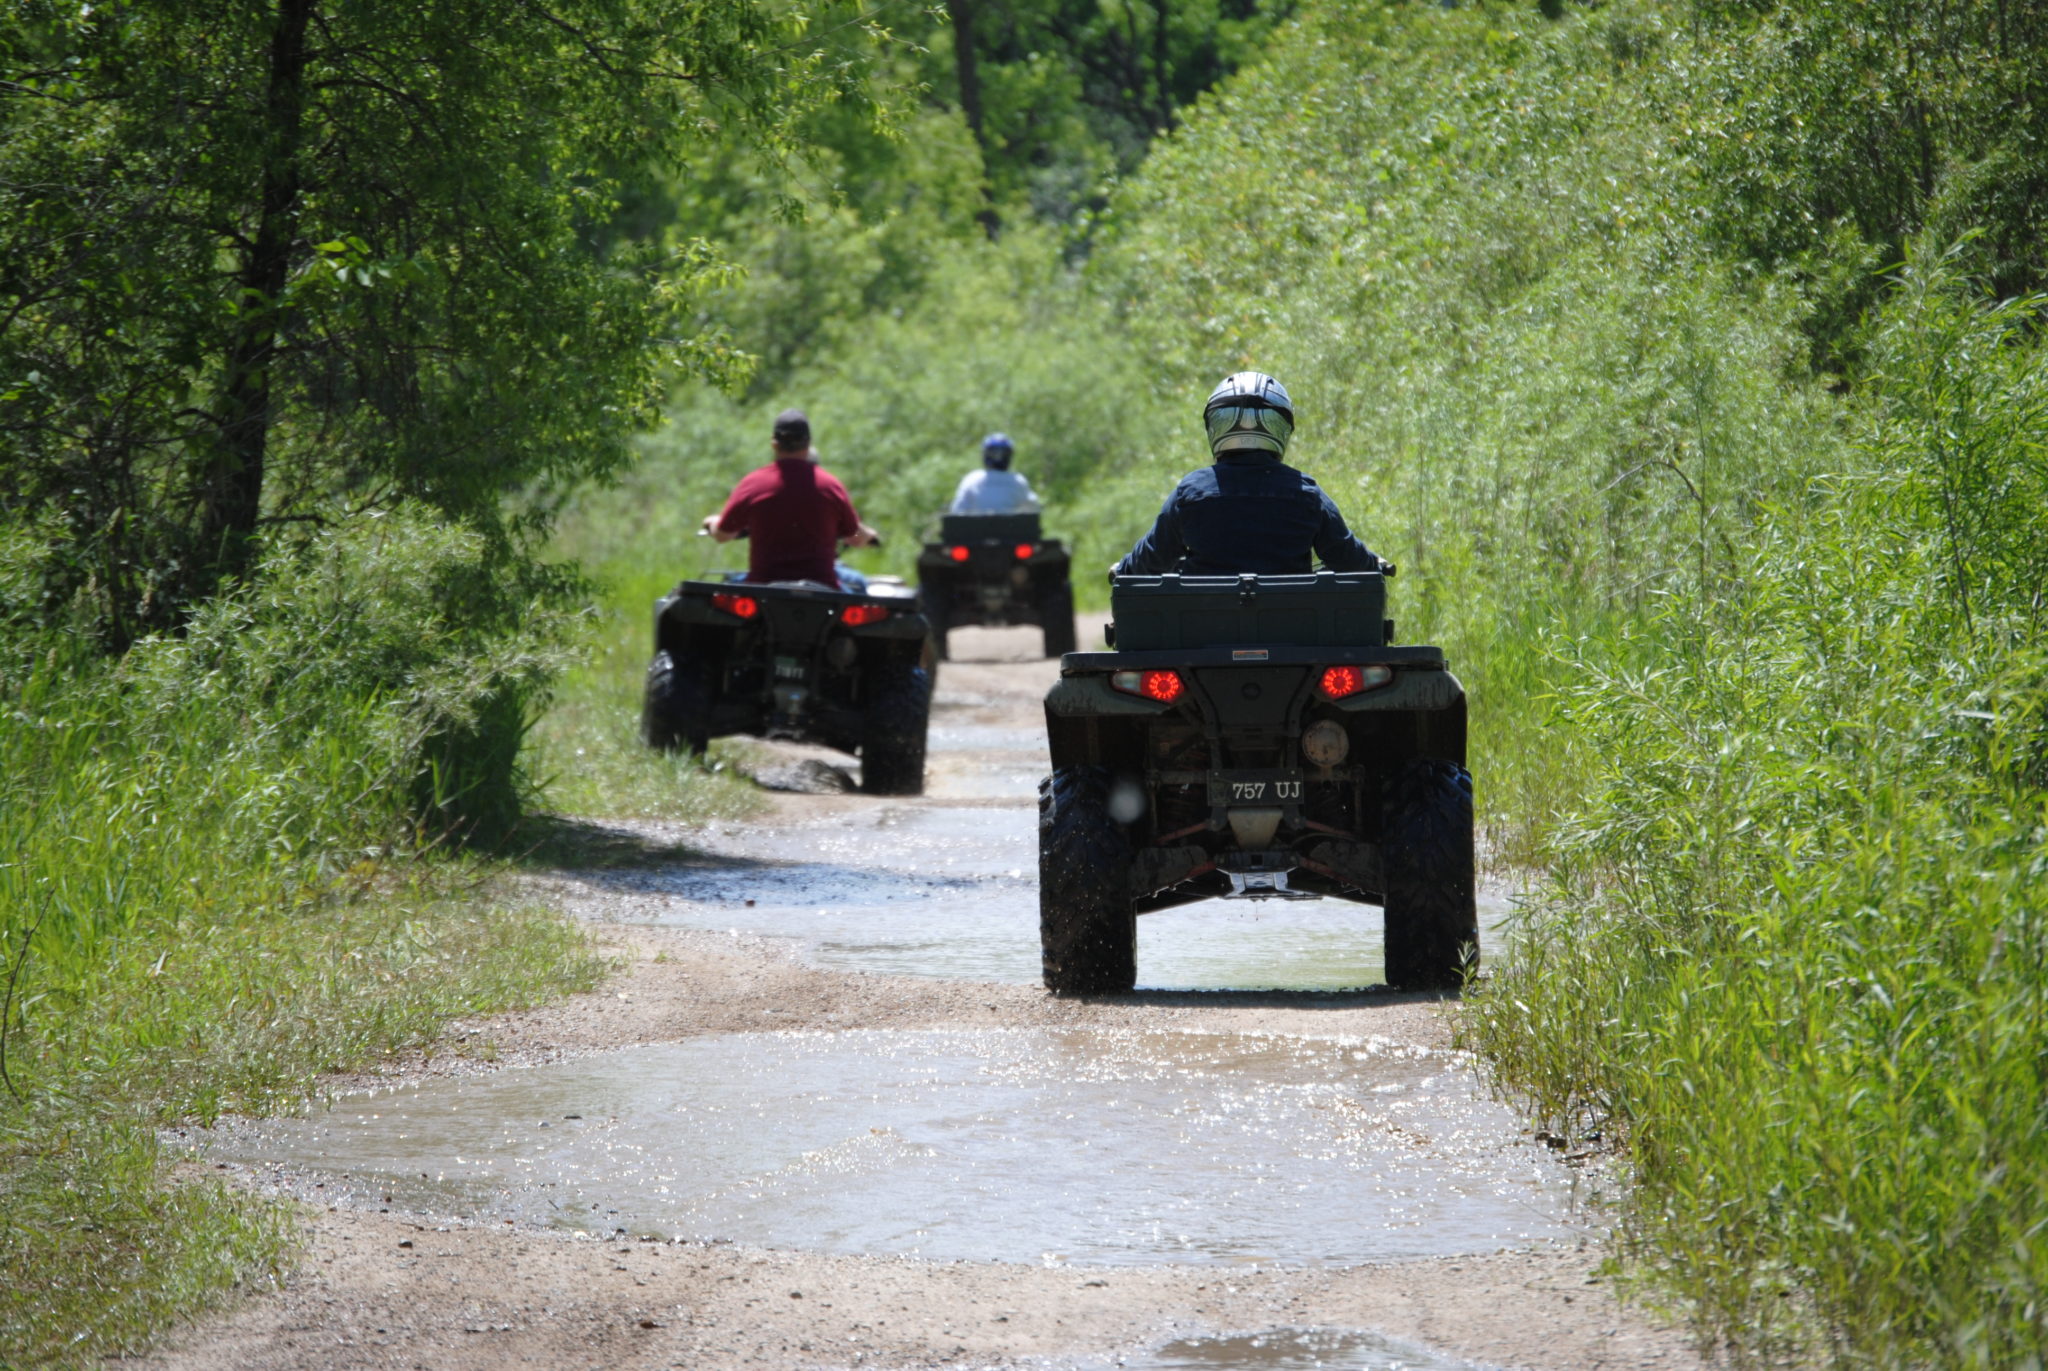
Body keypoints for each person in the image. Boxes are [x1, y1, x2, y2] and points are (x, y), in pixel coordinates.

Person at [1115, 372, 1380, 577]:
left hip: (1205, 635)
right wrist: (1374, 564)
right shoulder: (1306, 493)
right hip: (1291, 637)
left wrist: (1122, 569)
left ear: (1216, 426)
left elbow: (1150, 559)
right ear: (1281, 428)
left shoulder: (1190, 492)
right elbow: (1350, 559)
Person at [702, 408, 880, 587]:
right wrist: (863, 533)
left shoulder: (753, 484)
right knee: (860, 593)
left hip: (763, 590)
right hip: (823, 594)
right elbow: (855, 536)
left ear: (774, 443)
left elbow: (723, 535)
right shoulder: (831, 487)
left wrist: (712, 522)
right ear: (808, 444)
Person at [948, 433, 1042, 514]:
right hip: (1009, 533)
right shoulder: (1018, 481)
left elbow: (958, 510)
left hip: (976, 533)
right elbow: (1033, 509)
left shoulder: (972, 479)